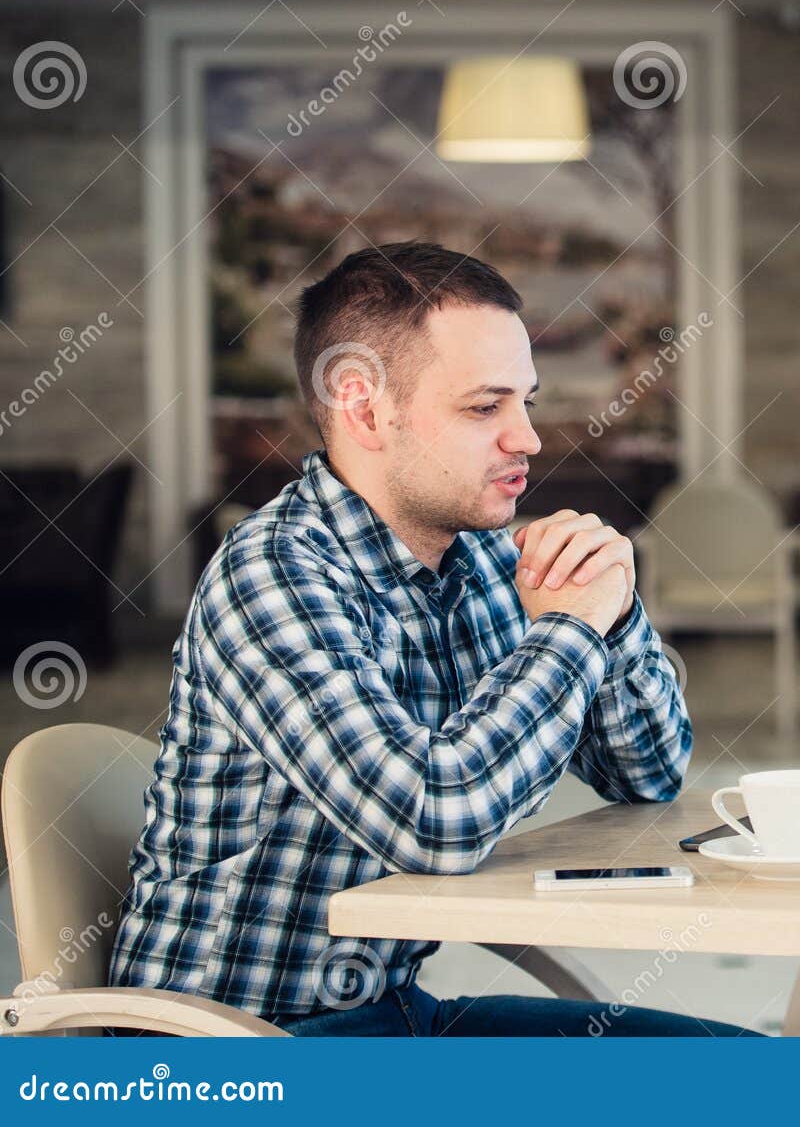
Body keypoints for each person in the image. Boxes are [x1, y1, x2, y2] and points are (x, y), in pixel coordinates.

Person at [108, 241, 752, 1037]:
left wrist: (613, 615)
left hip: (389, 1020)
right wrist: (570, 626)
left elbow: (647, 775)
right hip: (234, 1048)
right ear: (364, 408)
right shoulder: (272, 574)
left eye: (526, 401)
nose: (529, 438)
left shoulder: (484, 561)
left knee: (755, 1072)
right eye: (486, 408)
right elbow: (434, 822)